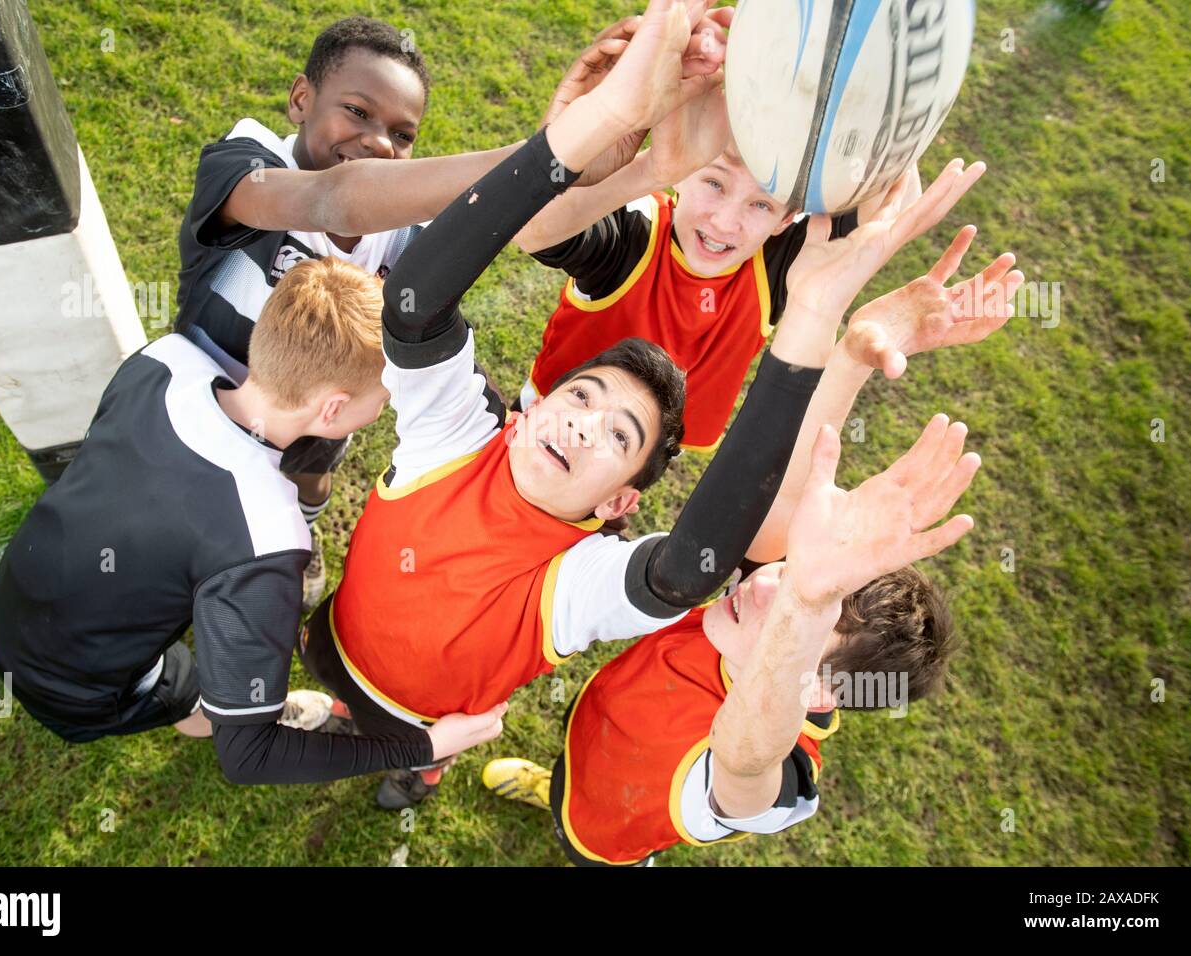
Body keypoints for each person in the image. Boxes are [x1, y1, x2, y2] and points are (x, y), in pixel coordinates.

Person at [297, 0, 988, 808]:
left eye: (618, 432)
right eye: (584, 393)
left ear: (625, 501)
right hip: (337, 641)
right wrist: (611, 129)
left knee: (421, 744)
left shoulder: (571, 586)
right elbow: (414, 301)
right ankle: (348, 712)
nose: (585, 417)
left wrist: (821, 309)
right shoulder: (459, 435)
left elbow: (691, 565)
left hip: (434, 710)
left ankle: (422, 767)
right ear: (533, 406)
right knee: (338, 686)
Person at [482, 229, 1023, 866]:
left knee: (586, 845)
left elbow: (742, 765)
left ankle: (580, 835)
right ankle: (555, 784)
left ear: (817, 692)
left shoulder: (777, 764)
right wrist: (850, 355)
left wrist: (808, 602)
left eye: (798, 612)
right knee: (571, 773)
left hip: (611, 834)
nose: (763, 584)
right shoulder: (754, 609)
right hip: (593, 730)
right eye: (788, 576)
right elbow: (788, 489)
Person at [172, 14, 670, 603]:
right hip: (203, 398)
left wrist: (616, 159)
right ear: (301, 98)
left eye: (402, 134)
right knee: (194, 524)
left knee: (307, 473)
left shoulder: (406, 226)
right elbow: (333, 202)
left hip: (314, 418)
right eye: (357, 111)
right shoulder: (246, 160)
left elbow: (522, 221)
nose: (379, 142)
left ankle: (305, 526)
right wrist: (548, 153)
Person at [0, 257, 505, 784]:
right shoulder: (266, 535)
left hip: (13, 594)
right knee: (194, 698)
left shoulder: (164, 360)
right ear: (331, 410)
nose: (381, 411)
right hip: (77, 687)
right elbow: (250, 756)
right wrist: (422, 743)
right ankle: (194, 709)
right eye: (382, 398)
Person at [511, 75, 921, 452]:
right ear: (681, 170)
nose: (725, 223)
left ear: (786, 219)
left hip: (636, 456)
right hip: (545, 431)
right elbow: (532, 225)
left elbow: (895, 208)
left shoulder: (780, 262)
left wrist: (884, 89)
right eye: (714, 183)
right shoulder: (634, 232)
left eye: (761, 204)